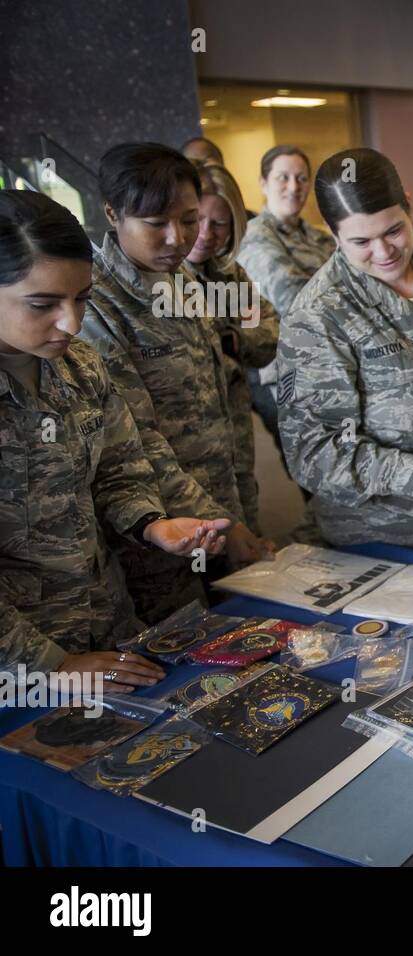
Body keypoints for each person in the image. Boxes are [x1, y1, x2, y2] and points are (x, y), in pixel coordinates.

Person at [0, 190, 229, 684]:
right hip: (22, 671)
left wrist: (151, 524)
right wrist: (53, 665)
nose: (71, 322)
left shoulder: (78, 367)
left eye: (81, 298)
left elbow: (119, 471)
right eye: (43, 304)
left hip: (107, 630)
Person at [80, 142, 274, 623]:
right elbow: (135, 443)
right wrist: (220, 527)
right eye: (156, 224)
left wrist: (235, 518)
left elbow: (222, 403)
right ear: (113, 213)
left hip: (224, 511)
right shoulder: (94, 305)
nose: (177, 238)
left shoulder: (185, 280)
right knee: (183, 659)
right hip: (161, 537)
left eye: (189, 220)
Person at [276, 148, 413, 550]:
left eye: (394, 231)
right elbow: (311, 450)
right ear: (332, 233)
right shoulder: (318, 314)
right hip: (389, 538)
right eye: (361, 241)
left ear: (409, 206)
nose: (384, 253)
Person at [186, 162, 280, 533]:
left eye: (219, 224)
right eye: (196, 220)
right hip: (184, 450)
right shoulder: (160, 281)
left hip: (234, 441)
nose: (205, 234)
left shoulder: (229, 277)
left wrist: (238, 340)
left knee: (242, 535)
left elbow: (270, 330)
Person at [236, 145, 335, 447]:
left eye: (302, 178)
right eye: (283, 177)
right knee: (315, 464)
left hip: (329, 365)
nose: (294, 187)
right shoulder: (256, 235)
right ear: (264, 183)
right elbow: (294, 301)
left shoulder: (318, 236)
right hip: (286, 375)